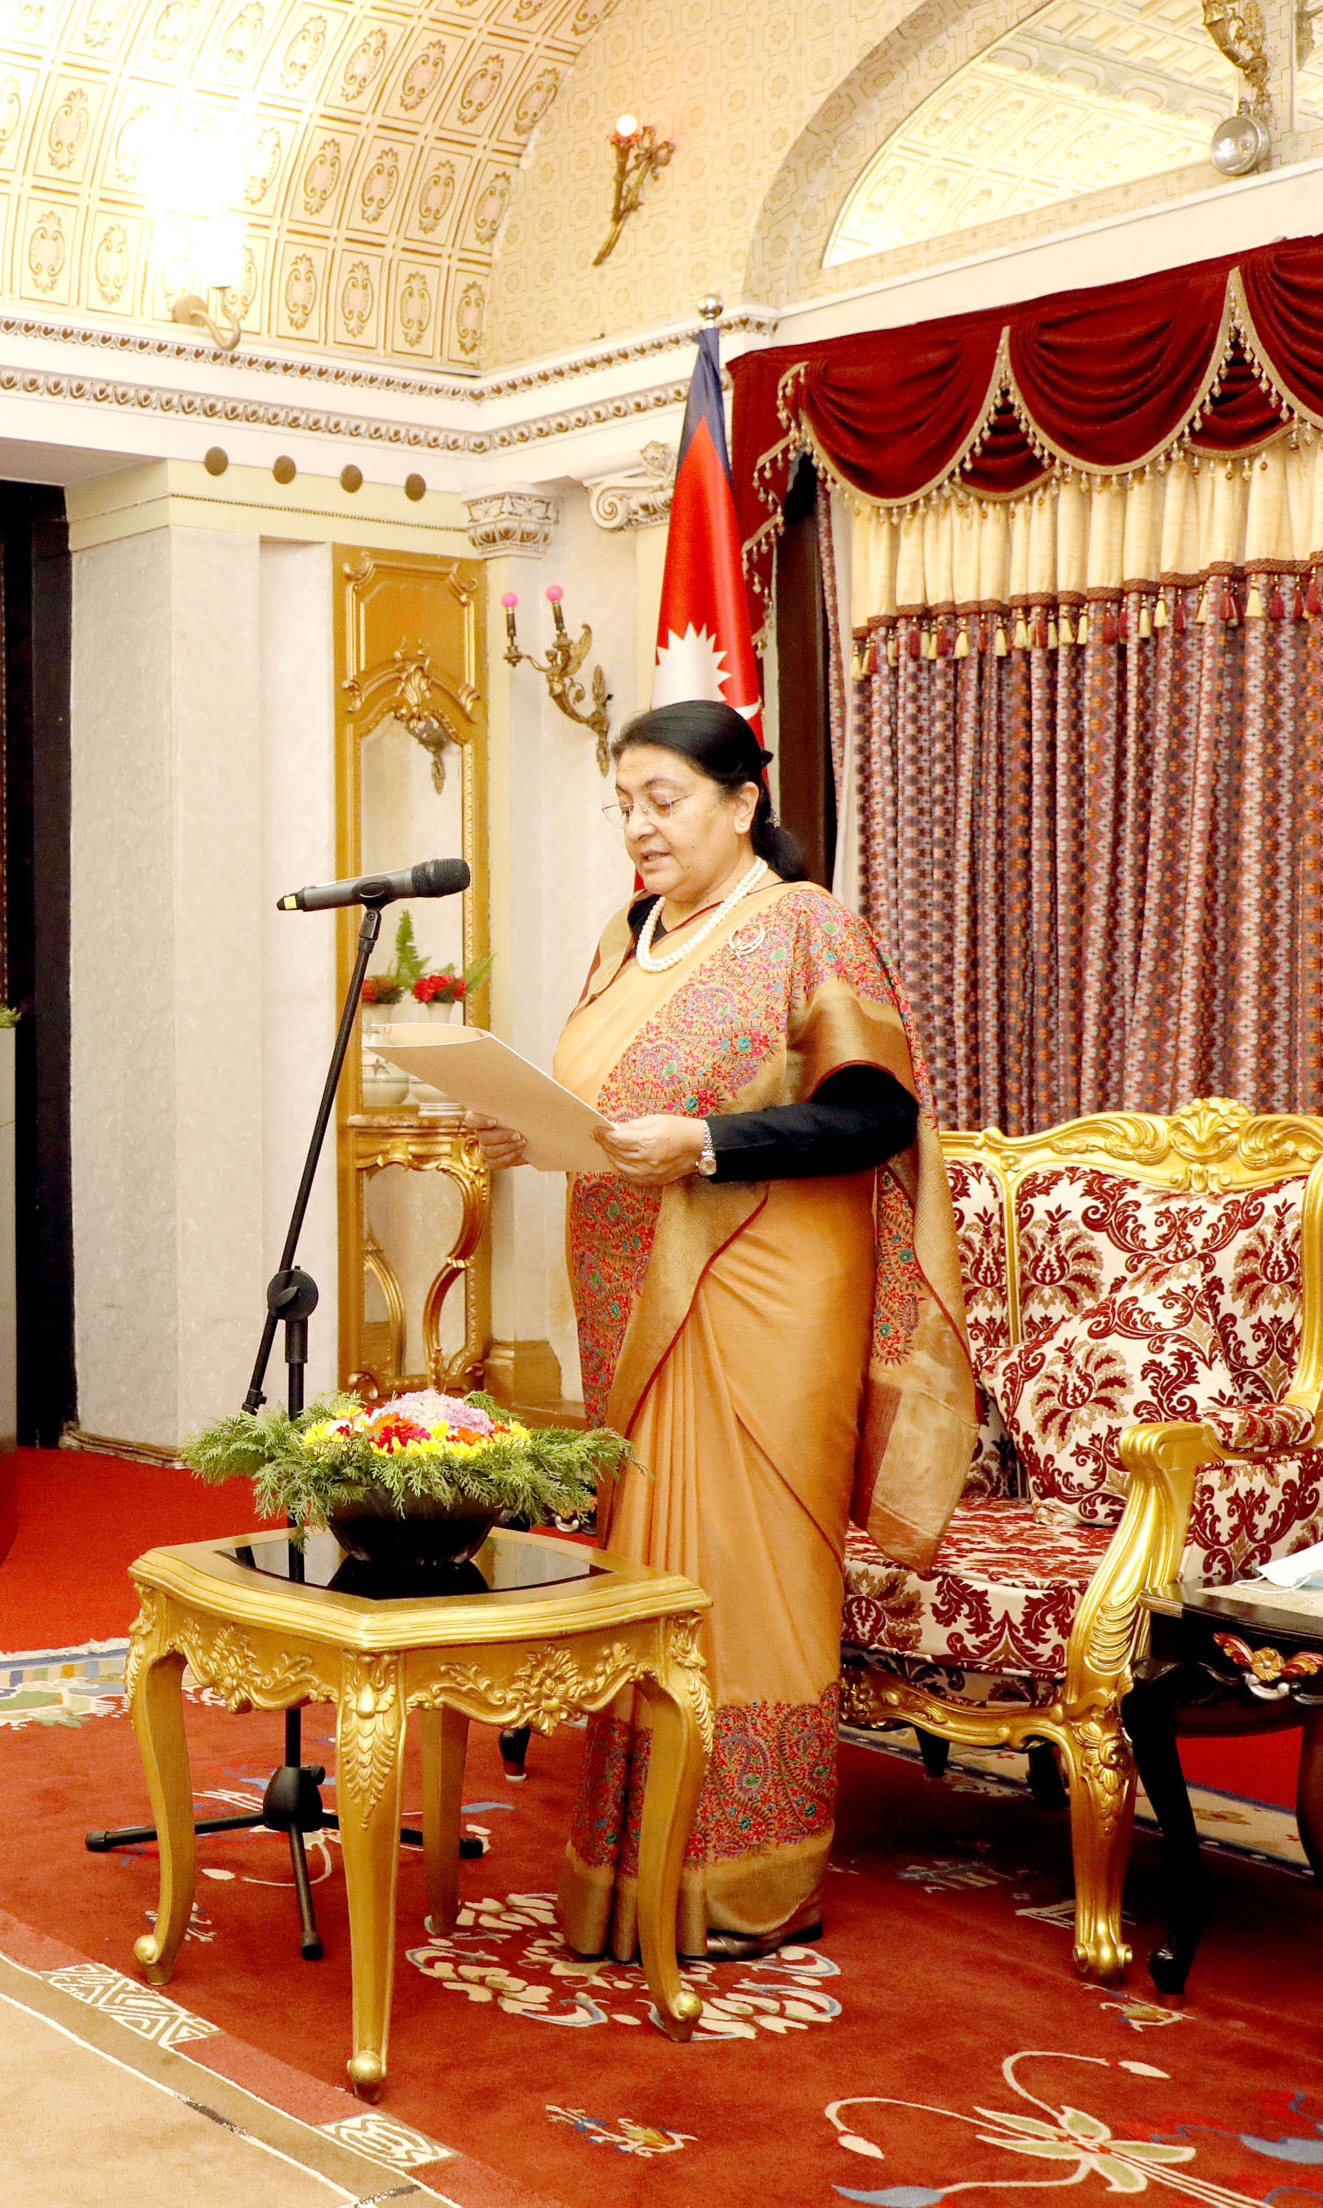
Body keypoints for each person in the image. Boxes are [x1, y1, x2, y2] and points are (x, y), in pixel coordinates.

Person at [469, 700, 975, 1959]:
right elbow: (603, 1105)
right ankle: (636, 1862)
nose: (638, 827)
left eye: (664, 799)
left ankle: (751, 1878)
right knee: (643, 1569)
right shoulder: (624, 937)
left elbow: (872, 1116)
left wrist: (706, 1144)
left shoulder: (806, 926)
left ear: (743, 801)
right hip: (631, 1293)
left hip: (764, 1299)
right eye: (623, 802)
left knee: (746, 1578)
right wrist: (524, 1131)